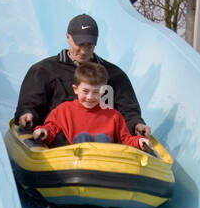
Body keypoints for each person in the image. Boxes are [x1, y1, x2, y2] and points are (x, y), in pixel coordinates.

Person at [15, 14, 151, 139]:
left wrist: (136, 124)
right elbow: (30, 103)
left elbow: (127, 109)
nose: (84, 50)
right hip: (59, 140)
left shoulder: (114, 75)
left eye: (89, 45)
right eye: (79, 44)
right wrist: (27, 114)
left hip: (103, 140)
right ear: (68, 37)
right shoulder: (44, 71)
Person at [31, 63, 152, 151]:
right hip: (74, 160)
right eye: (85, 91)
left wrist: (139, 140)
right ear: (76, 89)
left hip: (103, 163)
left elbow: (126, 139)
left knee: (102, 138)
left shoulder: (113, 115)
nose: (90, 97)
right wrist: (43, 131)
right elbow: (50, 129)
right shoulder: (64, 110)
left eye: (96, 92)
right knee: (83, 137)